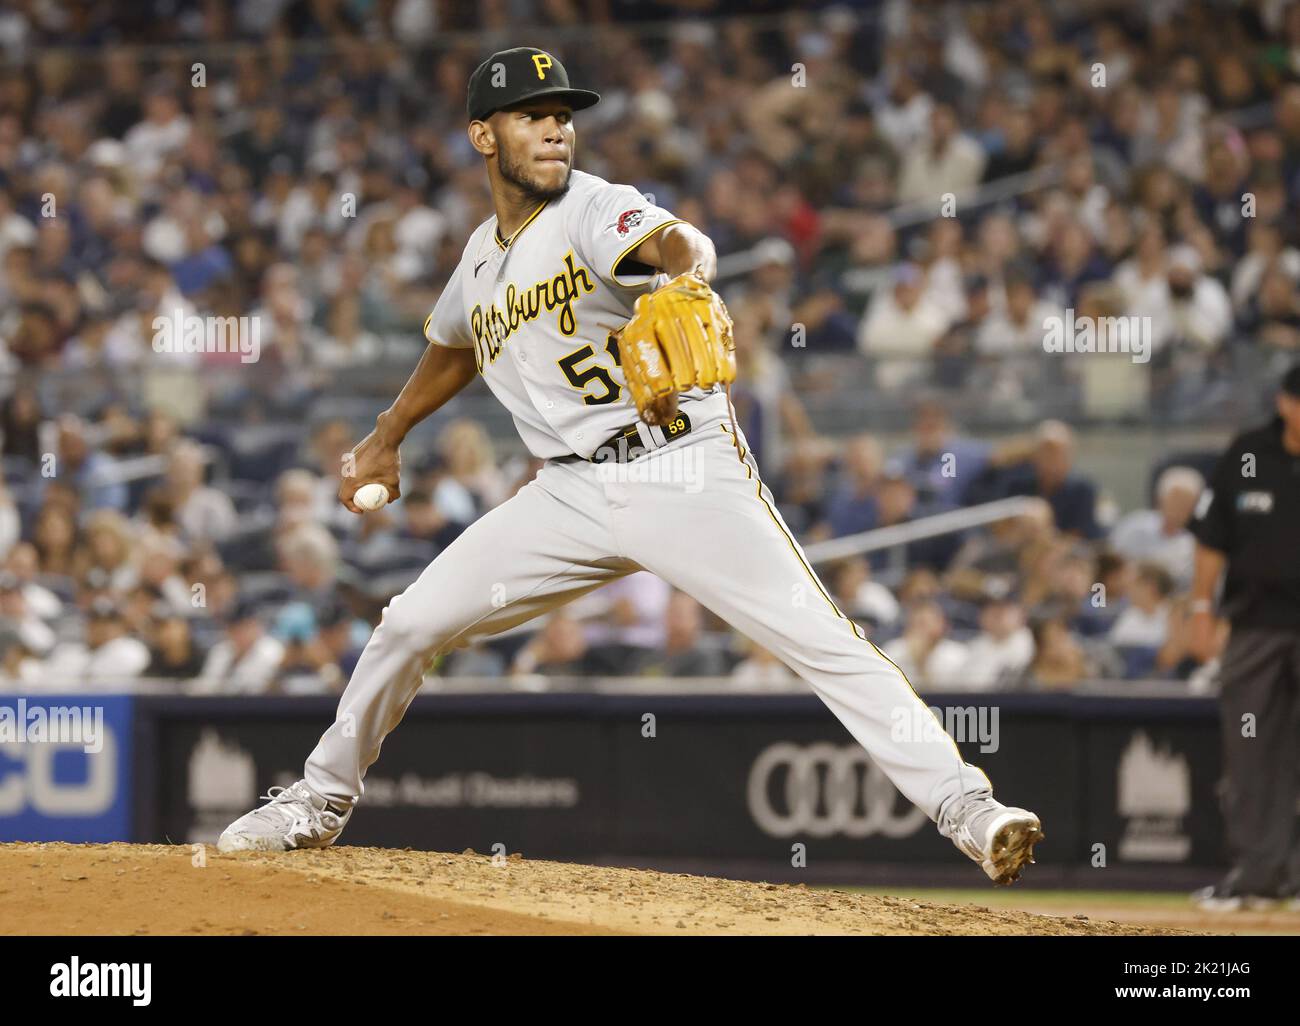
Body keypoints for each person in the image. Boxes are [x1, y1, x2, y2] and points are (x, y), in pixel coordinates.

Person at [216, 48, 1041, 886]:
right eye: (530, 115)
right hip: (567, 490)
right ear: (481, 136)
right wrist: (388, 432)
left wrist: (692, 278)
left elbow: (680, 241)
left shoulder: (591, 207)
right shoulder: (478, 258)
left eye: (562, 115)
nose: (554, 128)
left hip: (681, 463)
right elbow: (453, 347)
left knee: (819, 636)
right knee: (408, 624)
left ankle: (968, 809)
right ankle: (317, 801)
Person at [1187, 365, 1300, 910]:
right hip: (1255, 626)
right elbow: (1212, 540)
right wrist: (1201, 609)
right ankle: (1258, 876)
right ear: (1285, 403)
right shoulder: (1247, 453)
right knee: (1251, 752)